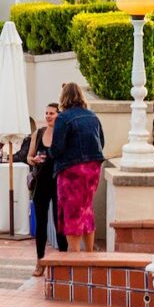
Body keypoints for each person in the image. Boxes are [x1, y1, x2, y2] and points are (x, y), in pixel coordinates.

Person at [47, 84, 105, 253]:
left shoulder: (64, 118)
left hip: (72, 170)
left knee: (72, 212)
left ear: (63, 98)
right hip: (93, 168)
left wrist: (49, 153)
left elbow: (57, 148)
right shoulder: (93, 116)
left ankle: (75, 258)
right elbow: (101, 142)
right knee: (86, 209)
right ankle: (89, 254)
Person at [25, 104, 63, 260]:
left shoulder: (62, 134)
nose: (48, 116)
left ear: (58, 115)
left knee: (59, 220)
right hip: (41, 182)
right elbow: (29, 156)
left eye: (52, 113)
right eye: (46, 113)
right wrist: (33, 160)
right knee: (41, 222)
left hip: (58, 182)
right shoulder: (39, 133)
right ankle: (40, 259)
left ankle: (63, 256)